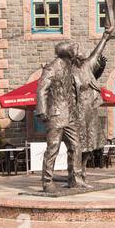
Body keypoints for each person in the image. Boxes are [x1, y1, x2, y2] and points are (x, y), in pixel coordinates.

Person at [34, 33, 109, 192]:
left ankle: (76, 180)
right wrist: (41, 111)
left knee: (76, 147)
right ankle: (47, 182)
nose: (77, 51)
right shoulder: (52, 67)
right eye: (74, 49)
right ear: (68, 53)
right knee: (52, 149)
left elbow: (88, 72)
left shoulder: (71, 67)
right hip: (55, 116)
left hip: (70, 116)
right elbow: (42, 89)